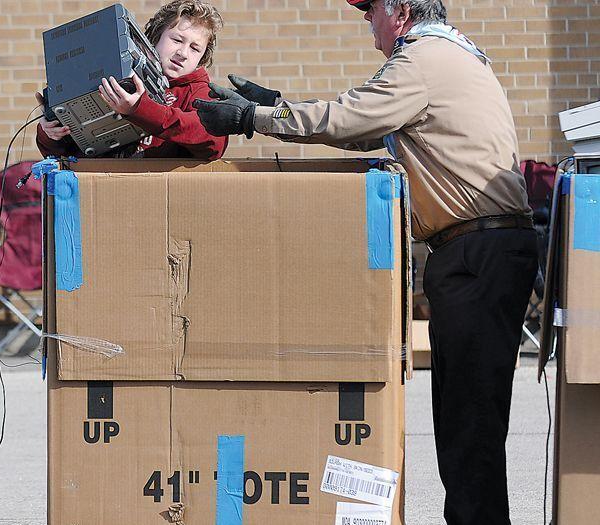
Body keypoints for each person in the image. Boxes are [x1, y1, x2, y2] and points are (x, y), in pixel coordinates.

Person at [193, 1, 537, 523]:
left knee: (470, 426)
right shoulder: (447, 53)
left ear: (399, 10)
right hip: (479, 251)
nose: (366, 21)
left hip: (477, 253)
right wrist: (280, 106)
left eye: (370, 10)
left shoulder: (423, 58)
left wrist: (252, 117)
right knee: (464, 422)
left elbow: (348, 116)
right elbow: (370, 128)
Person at [36, 0, 241, 160]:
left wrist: (140, 110)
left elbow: (213, 143)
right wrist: (51, 133)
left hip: (155, 197)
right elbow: (62, 156)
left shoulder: (200, 92)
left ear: (202, 57)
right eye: (177, 39)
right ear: (155, 37)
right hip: (101, 195)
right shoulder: (119, 73)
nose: (183, 53)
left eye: (195, 48)